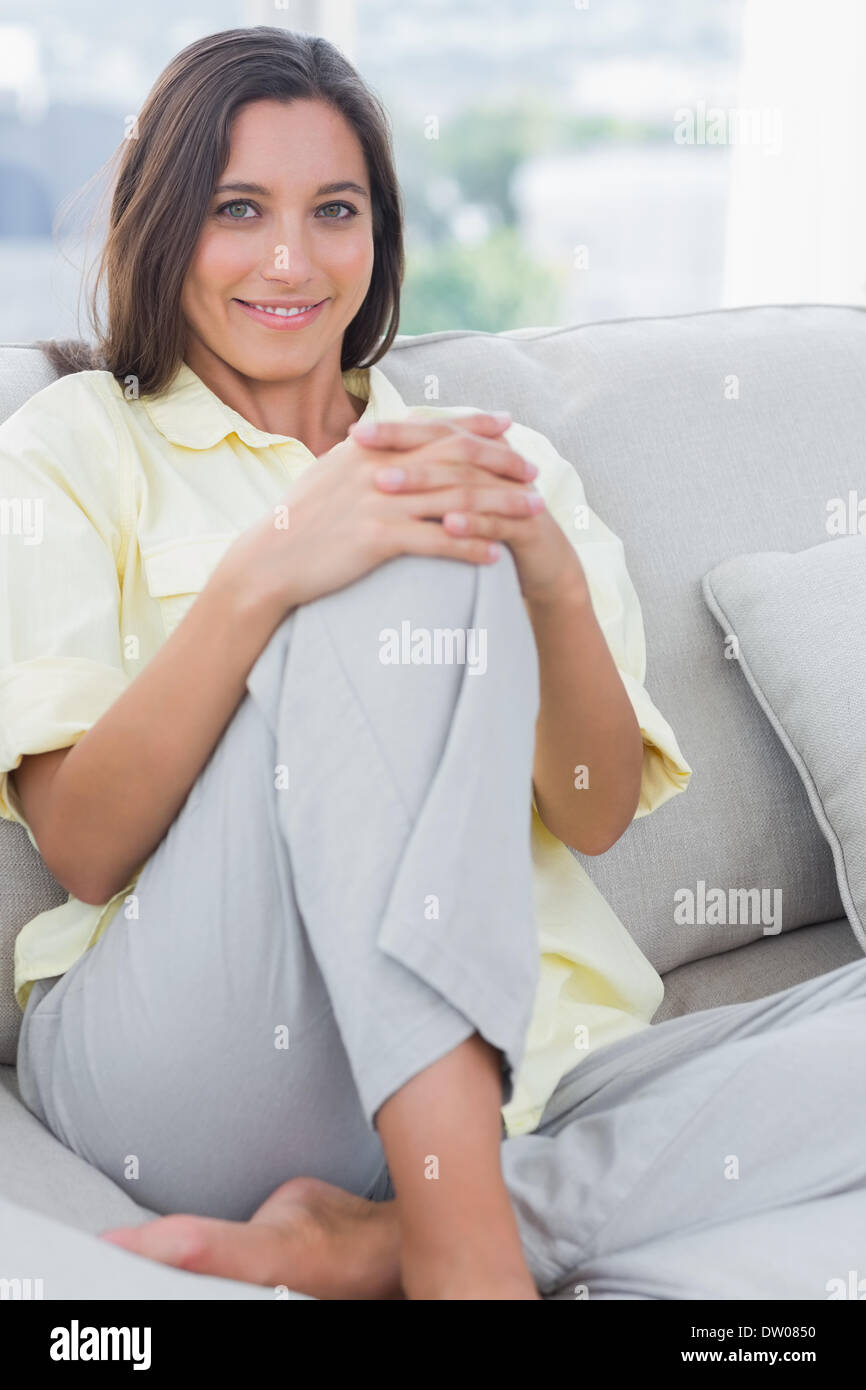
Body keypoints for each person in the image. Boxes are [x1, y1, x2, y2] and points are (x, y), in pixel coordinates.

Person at [2, 27, 865, 1302]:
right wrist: (280, 561)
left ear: (378, 233)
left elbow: (593, 807)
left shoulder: (490, 457)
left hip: (535, 1068)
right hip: (200, 1047)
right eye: (239, 210)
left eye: (332, 210)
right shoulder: (75, 445)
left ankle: (411, 1228)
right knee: (409, 540)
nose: (290, 259)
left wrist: (546, 573)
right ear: (169, 224)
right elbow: (82, 843)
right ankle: (467, 1263)